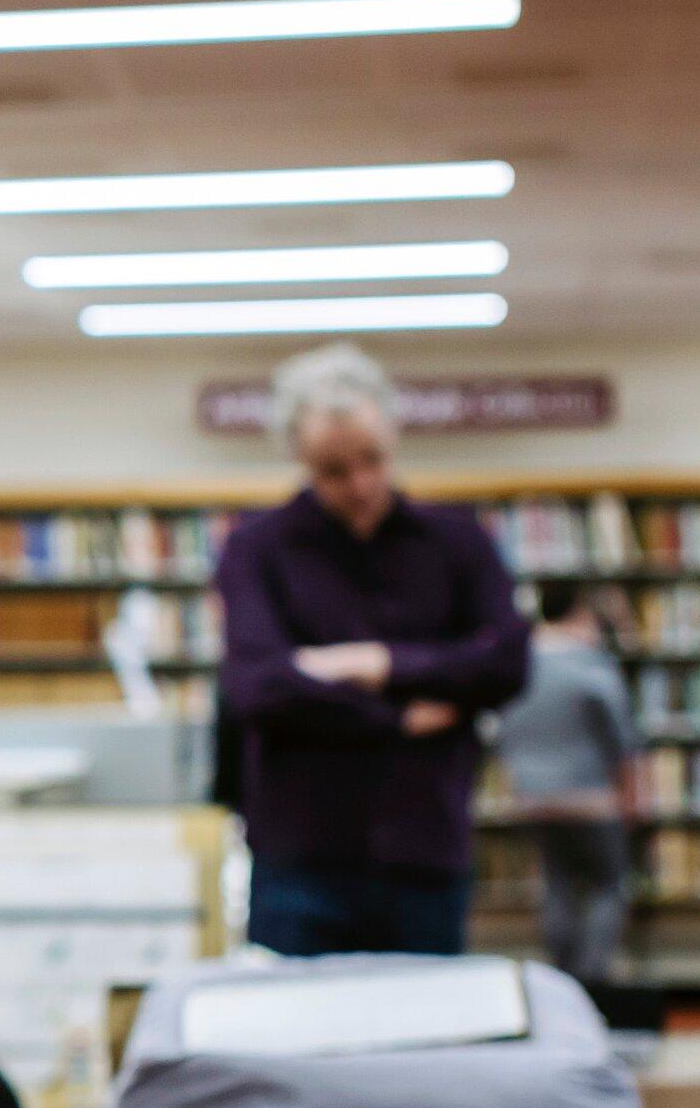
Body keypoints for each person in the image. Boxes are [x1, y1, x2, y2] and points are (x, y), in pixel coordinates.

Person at [216, 342, 530, 956]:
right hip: (299, 856)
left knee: (427, 1042)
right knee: (290, 1043)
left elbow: (505, 661)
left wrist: (373, 662)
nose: (359, 484)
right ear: (299, 459)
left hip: (425, 850)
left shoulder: (458, 542)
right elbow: (258, 687)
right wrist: (400, 716)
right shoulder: (257, 549)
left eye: (372, 460)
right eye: (334, 470)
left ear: (392, 438)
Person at [497, 584, 638, 988]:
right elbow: (622, 736)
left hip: (534, 797)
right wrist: (630, 792)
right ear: (580, 613)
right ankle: (591, 981)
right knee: (607, 888)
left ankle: (561, 979)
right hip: (592, 798)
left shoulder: (520, 665)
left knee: (557, 886)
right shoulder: (590, 664)